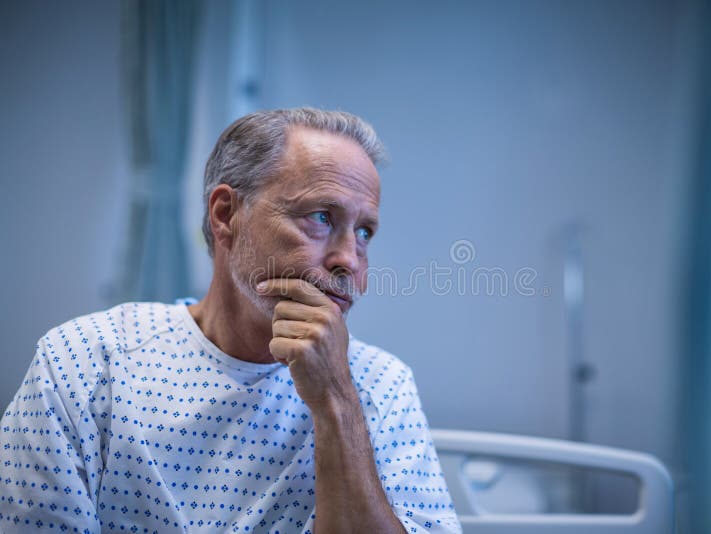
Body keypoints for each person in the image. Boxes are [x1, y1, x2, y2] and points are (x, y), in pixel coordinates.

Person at [0, 108, 461, 533]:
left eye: (364, 232)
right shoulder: (82, 365)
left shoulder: (381, 388)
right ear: (226, 215)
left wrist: (337, 402)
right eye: (321, 217)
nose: (349, 261)